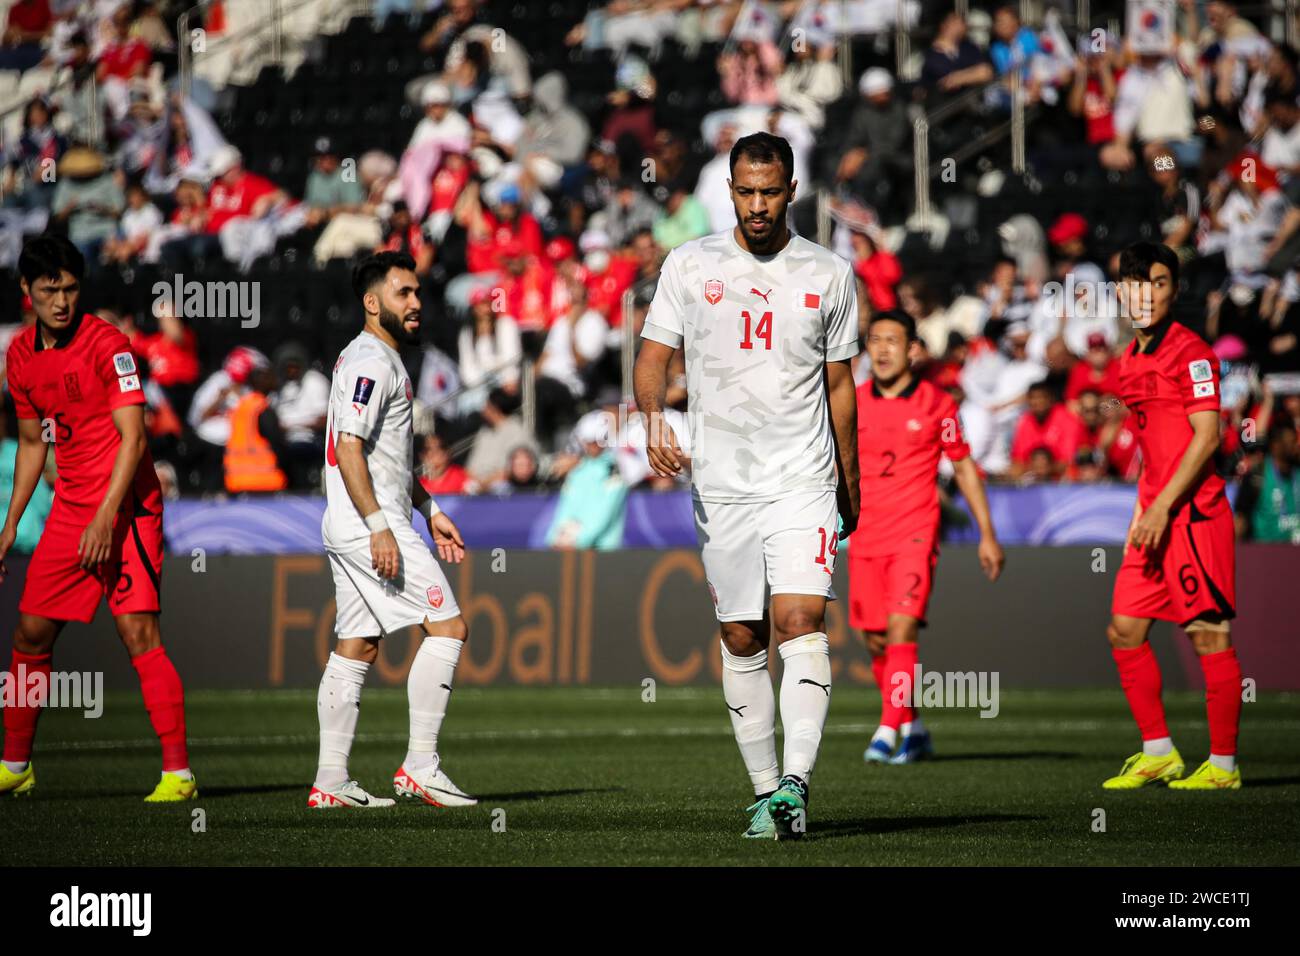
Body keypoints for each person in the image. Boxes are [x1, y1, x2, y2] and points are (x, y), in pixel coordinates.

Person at [634, 132, 860, 840]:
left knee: (801, 621)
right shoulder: (689, 263)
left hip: (802, 476)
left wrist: (847, 483)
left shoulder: (829, 273)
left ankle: (795, 783)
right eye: (746, 191)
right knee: (740, 635)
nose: (758, 205)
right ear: (729, 190)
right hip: (723, 483)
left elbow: (841, 387)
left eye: (770, 191)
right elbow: (651, 357)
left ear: (793, 190)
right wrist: (650, 417)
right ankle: (767, 793)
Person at [0, 236, 195, 801]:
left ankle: (178, 776)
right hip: (71, 508)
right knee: (30, 633)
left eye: (69, 288)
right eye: (48, 290)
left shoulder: (109, 346)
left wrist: (107, 516)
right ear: (26, 292)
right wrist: (11, 524)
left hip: (126, 506)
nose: (60, 301)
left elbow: (135, 441)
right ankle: (16, 765)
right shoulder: (19, 356)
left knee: (138, 633)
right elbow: (34, 444)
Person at [312, 251, 476, 810]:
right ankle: (420, 768)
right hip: (369, 525)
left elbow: (383, 457)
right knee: (449, 629)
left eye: (418, 293)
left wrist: (429, 510)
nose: (415, 303)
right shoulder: (371, 362)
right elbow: (350, 446)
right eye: (403, 293)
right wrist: (382, 527)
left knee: (356, 645)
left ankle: (330, 783)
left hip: (350, 521)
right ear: (371, 301)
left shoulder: (374, 359)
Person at [1103, 242, 1242, 790]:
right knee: (1124, 629)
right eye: (1136, 283)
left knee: (1209, 634)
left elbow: (1207, 438)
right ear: (1121, 292)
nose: (1146, 294)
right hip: (1154, 516)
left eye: (1158, 283)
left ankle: (1224, 767)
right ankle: (1158, 751)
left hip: (1195, 516)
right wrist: (1141, 513)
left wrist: (1162, 507)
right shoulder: (1127, 362)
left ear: (1173, 291)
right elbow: (1149, 449)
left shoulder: (1194, 352)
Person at [852, 311, 1004, 765]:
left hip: (915, 533)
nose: (881, 350)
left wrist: (987, 535)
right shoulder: (852, 401)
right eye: (874, 340)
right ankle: (914, 728)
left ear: (913, 350)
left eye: (892, 341)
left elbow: (963, 467)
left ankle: (885, 730)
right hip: (864, 536)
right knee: (876, 641)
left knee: (902, 626)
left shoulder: (938, 405)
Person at [1234, 422, 1300, 542]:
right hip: (1266, 555)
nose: (1295, 446)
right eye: (1290, 442)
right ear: (1276, 445)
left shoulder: (1297, 473)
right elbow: (1240, 519)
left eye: (1295, 441)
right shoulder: (1257, 476)